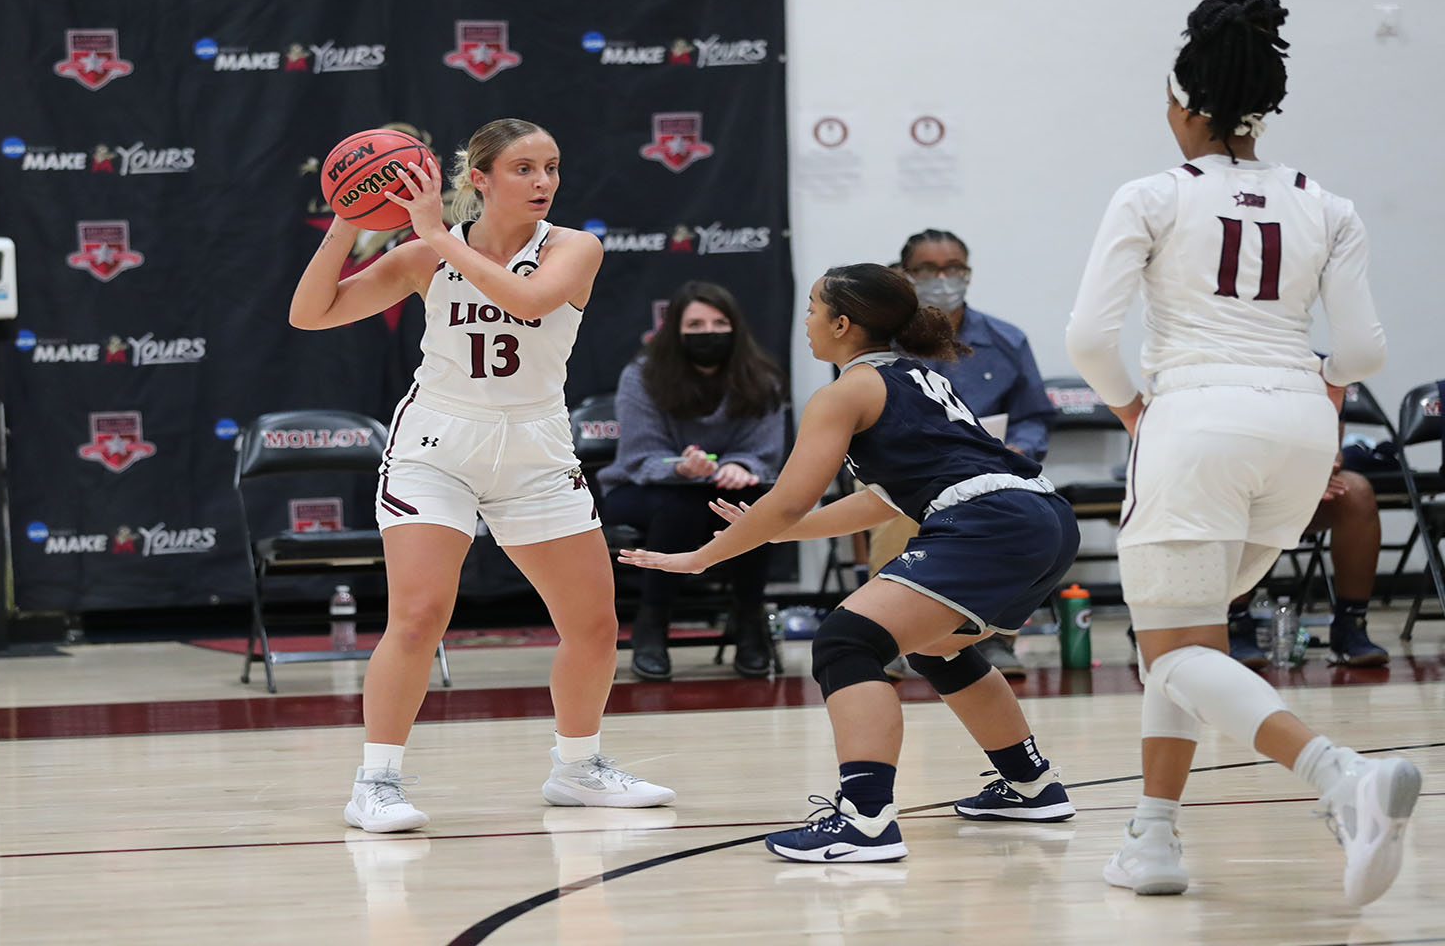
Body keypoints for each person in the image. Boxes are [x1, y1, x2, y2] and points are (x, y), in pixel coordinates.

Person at [1065, 0, 1415, 904]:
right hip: (1300, 426)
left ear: (1182, 105)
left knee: (1175, 647)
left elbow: (1089, 341)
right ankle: (1152, 837)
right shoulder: (1327, 205)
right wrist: (1325, 391)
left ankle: (1341, 776)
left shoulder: (1151, 195)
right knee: (1188, 642)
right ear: (1265, 109)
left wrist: (1135, 411)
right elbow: (1368, 346)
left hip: (1195, 421)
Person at [289, 118, 674, 833]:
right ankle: (375, 782)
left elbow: (527, 302)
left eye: (552, 167)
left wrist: (435, 235)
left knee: (592, 623)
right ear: (481, 178)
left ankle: (578, 769)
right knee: (417, 616)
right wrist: (346, 223)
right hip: (438, 442)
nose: (543, 182)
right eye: (524, 168)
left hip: (535, 444)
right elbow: (311, 313)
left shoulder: (573, 247)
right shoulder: (420, 255)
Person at [622, 264, 1080, 862]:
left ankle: (864, 819)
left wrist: (701, 559)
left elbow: (787, 499)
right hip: (1042, 515)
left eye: (813, 308)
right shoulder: (917, 377)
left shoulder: (845, 392)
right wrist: (775, 532)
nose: (807, 320)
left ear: (842, 323)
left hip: (989, 523)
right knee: (938, 645)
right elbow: (880, 499)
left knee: (845, 642)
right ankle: (1029, 784)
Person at [876, 230, 1057, 677]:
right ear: (904, 275)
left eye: (953, 268)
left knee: (1024, 505)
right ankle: (887, 632)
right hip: (907, 467)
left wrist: (1021, 447)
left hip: (992, 468)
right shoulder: (881, 342)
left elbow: (1034, 414)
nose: (943, 279)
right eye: (927, 270)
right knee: (893, 503)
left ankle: (994, 635)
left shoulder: (1006, 340)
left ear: (968, 274)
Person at [597, 280, 787, 680]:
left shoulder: (763, 377)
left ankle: (749, 618)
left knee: (754, 505)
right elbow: (639, 458)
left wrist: (741, 465)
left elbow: (765, 453)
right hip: (642, 488)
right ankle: (654, 624)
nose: (708, 333)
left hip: (721, 489)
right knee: (679, 507)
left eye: (719, 323)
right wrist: (680, 468)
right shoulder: (643, 375)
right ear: (675, 330)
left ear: (736, 327)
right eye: (695, 324)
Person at [1226, 461, 1389, 667]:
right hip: (1243, 475)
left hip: (1302, 478)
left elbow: (1333, 450)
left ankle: (1350, 626)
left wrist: (1315, 472)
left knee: (1356, 491)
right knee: (1230, 486)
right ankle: (1234, 626)